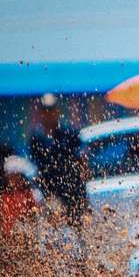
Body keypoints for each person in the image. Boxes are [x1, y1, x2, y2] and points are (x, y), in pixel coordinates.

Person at [29, 94, 88, 226]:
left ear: (57, 112)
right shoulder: (37, 139)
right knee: (55, 233)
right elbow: (36, 167)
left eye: (51, 111)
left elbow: (82, 159)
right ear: (41, 114)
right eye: (45, 112)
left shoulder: (69, 133)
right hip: (51, 193)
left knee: (79, 228)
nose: (49, 115)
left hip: (73, 190)